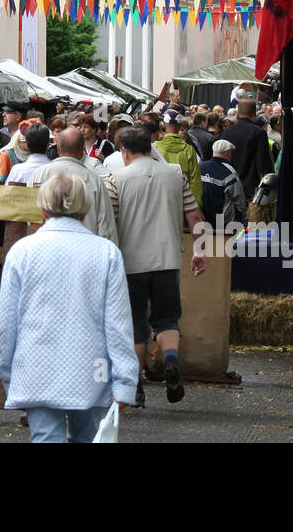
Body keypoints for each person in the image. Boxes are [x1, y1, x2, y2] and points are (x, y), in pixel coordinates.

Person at [0, 174, 139, 442]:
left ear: (43, 207)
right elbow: (118, 326)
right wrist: (124, 382)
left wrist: (10, 373)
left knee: (46, 437)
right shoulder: (106, 253)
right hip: (93, 370)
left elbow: (5, 326)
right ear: (86, 209)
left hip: (35, 366)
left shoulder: (21, 251)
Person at [111, 126, 205, 407]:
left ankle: (136, 387)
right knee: (167, 320)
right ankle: (171, 361)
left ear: (124, 151)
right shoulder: (176, 174)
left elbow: (110, 223)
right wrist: (200, 252)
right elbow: (196, 218)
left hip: (131, 264)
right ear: (151, 146)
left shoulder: (116, 179)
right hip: (168, 260)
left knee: (136, 327)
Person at [30, 128, 117, 243]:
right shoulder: (95, 180)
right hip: (87, 252)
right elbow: (106, 227)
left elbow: (29, 218)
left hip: (43, 249)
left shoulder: (39, 175)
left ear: (58, 149)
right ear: (83, 150)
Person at [220, 98, 276, 200]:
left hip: (227, 188)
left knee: (224, 216)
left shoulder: (226, 133)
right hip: (250, 191)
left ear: (237, 115)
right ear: (254, 115)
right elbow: (263, 163)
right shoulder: (259, 133)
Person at [154, 116, 202, 210]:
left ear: (164, 125)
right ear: (179, 126)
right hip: (182, 201)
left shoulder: (155, 147)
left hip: (159, 200)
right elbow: (195, 180)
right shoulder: (189, 149)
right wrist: (196, 205)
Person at [198, 139, 246, 227]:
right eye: (231, 153)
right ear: (227, 153)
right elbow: (239, 199)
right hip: (222, 222)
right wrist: (244, 217)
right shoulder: (229, 172)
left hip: (202, 218)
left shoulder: (201, 167)